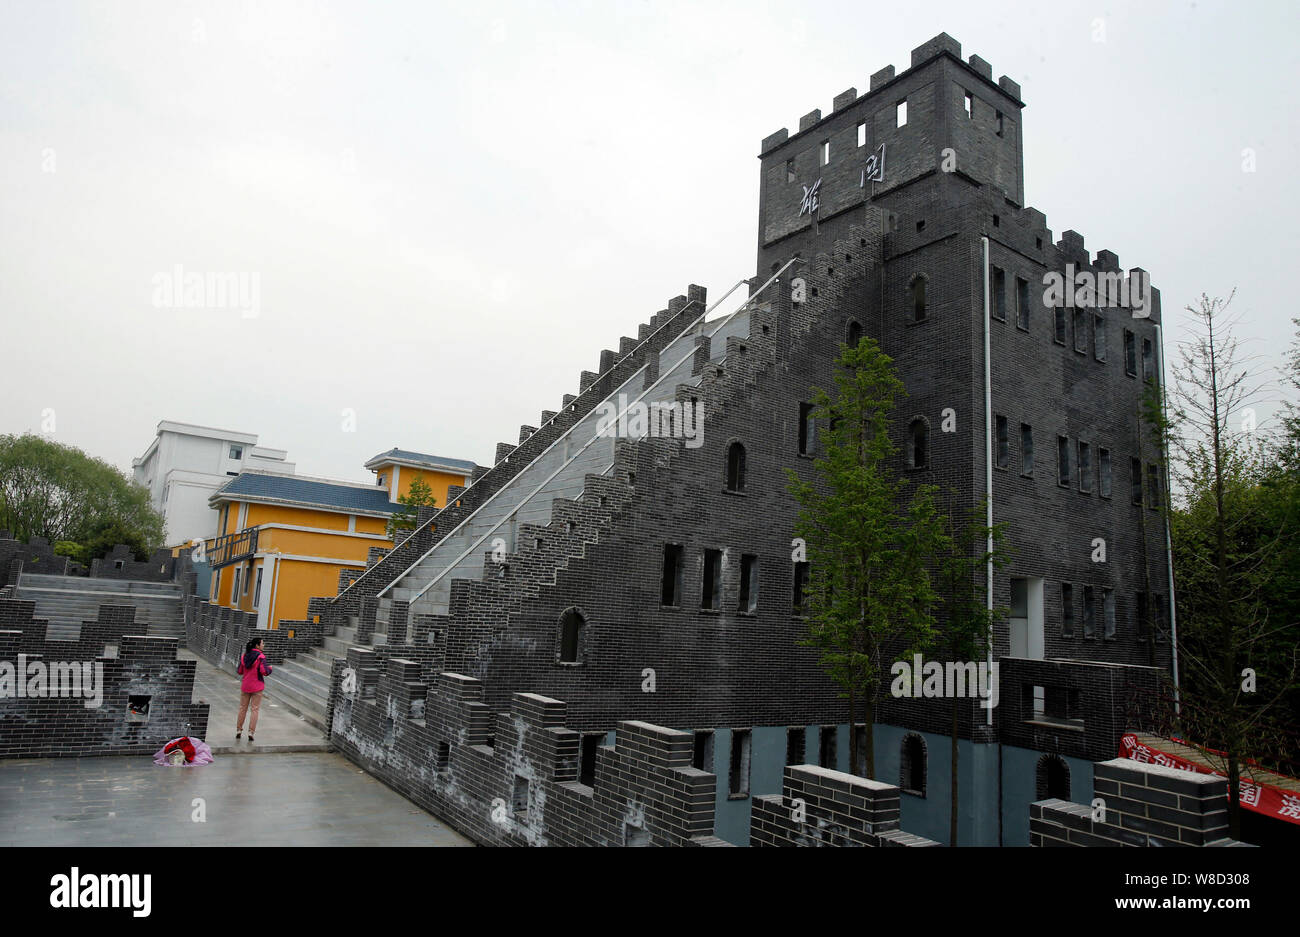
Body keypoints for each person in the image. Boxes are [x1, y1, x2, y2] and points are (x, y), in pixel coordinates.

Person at [235, 636, 272, 742]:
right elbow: (264, 672)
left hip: (245, 686)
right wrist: (270, 669)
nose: (263, 645)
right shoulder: (261, 657)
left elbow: (240, 671)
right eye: (262, 643)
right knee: (254, 709)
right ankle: (251, 732)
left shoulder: (244, 656)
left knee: (242, 708)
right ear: (257, 645)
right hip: (257, 686)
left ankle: (238, 730)